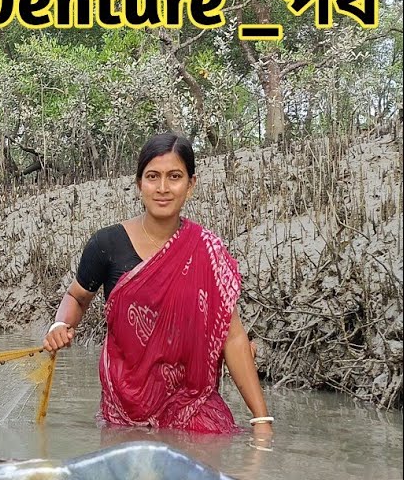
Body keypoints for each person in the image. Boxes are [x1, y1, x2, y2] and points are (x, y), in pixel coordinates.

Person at [43, 133, 273, 437]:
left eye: (174, 177)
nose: (163, 188)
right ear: (139, 184)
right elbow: (77, 296)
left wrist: (261, 422)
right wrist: (59, 325)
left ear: (190, 185)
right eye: (153, 177)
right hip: (125, 411)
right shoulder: (107, 244)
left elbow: (232, 337)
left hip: (193, 405)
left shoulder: (206, 251)